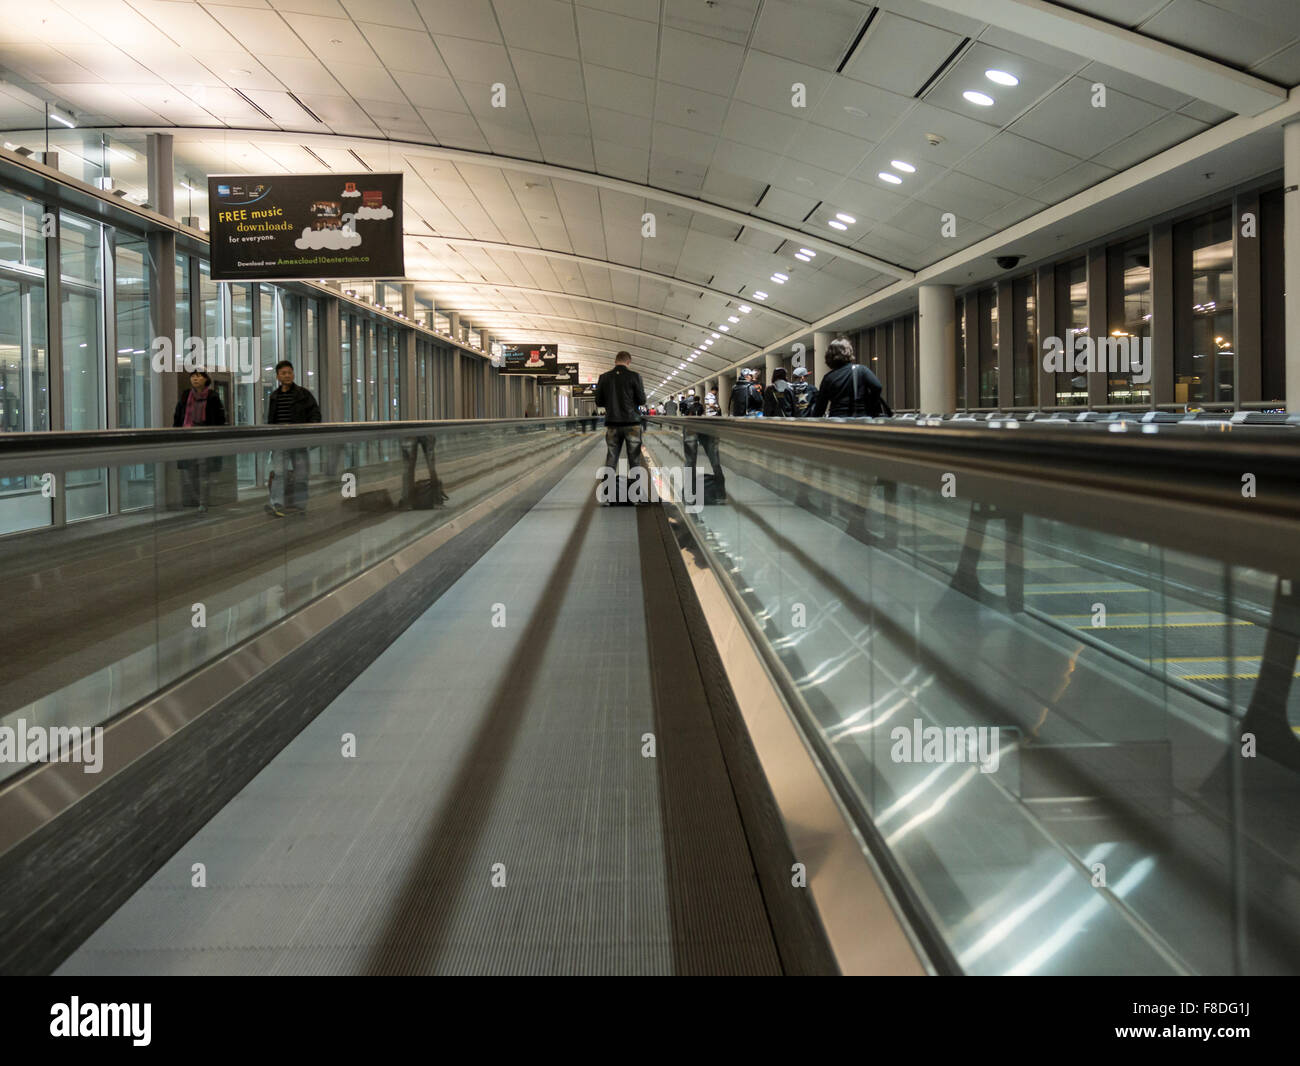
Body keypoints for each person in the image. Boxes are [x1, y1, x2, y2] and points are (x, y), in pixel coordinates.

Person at [265, 360, 321, 517]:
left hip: (299, 441)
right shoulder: (274, 396)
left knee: (301, 475)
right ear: (277, 376)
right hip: (280, 442)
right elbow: (271, 420)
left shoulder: (304, 394)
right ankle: (277, 504)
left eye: (289, 372)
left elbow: (315, 414)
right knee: (279, 474)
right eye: (283, 373)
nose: (287, 375)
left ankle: (300, 505)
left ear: (293, 374)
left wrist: (309, 431)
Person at [173, 370, 226, 513]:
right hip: (188, 439)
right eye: (193, 376)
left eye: (199, 376)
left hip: (205, 439)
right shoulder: (185, 396)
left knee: (204, 472)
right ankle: (198, 499)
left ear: (206, 379)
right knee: (190, 474)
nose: (195, 378)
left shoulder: (213, 397)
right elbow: (178, 416)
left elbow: (219, 419)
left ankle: (203, 502)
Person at [594, 350, 647, 493]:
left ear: (615, 361)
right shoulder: (634, 376)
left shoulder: (604, 377)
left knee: (611, 458)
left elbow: (598, 401)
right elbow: (642, 400)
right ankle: (636, 493)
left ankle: (607, 493)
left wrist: (611, 403)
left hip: (612, 423)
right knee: (634, 459)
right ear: (628, 362)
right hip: (632, 424)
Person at [811, 338, 892, 418]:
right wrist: (870, 404)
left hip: (837, 419)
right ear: (849, 352)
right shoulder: (861, 370)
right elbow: (877, 387)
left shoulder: (828, 378)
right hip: (862, 417)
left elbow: (820, 407)